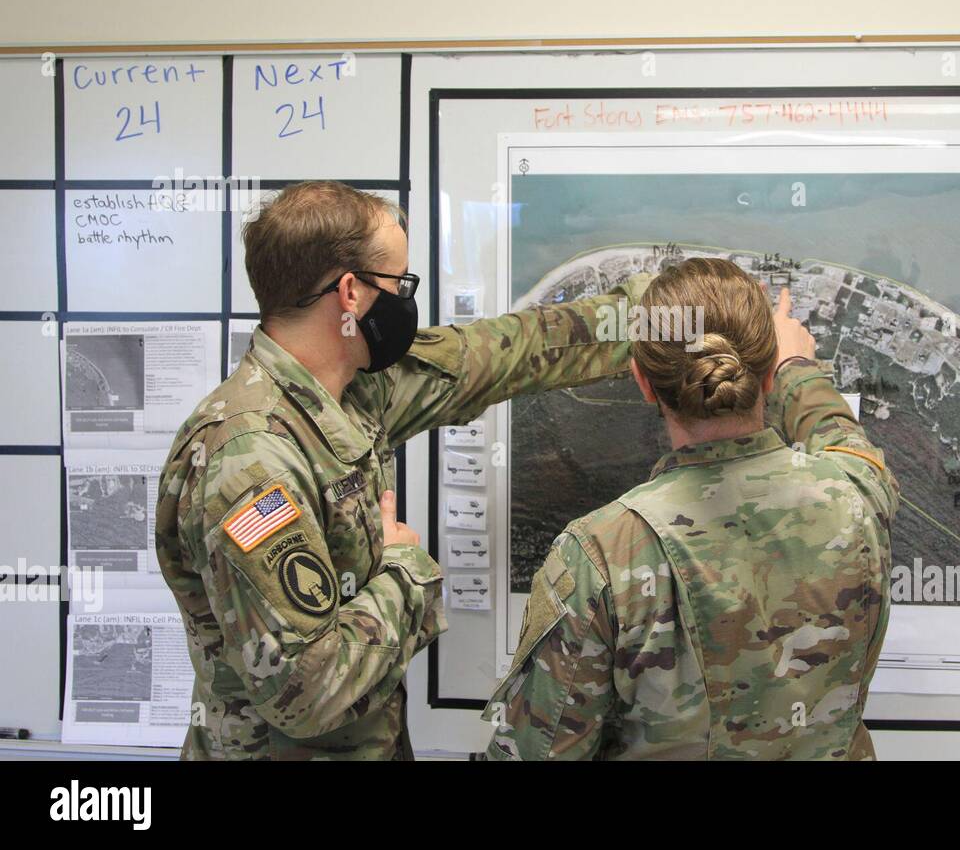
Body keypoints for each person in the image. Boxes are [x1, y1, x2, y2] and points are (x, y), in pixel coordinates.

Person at [155, 180, 649, 760]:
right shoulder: (248, 459)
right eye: (398, 284)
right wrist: (404, 569)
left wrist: (643, 318)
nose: (404, 300)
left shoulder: (351, 390)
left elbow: (492, 356)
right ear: (351, 294)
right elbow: (308, 691)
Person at [483, 257, 900, 760]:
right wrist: (797, 369)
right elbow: (843, 439)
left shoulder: (599, 555)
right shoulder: (857, 495)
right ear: (766, 378)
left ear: (641, 380)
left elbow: (537, 751)